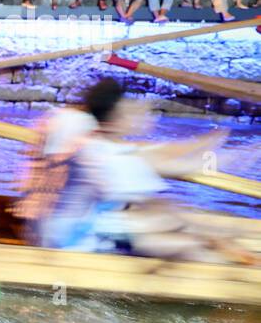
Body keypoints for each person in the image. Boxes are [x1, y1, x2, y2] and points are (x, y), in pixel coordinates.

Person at [26, 79, 249, 261]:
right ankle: (232, 271)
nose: (141, 115)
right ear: (115, 121)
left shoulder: (93, 141)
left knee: (168, 216)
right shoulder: (110, 157)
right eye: (131, 112)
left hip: (64, 227)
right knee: (184, 239)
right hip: (71, 243)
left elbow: (160, 154)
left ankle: (224, 254)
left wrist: (213, 141)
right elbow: (180, 167)